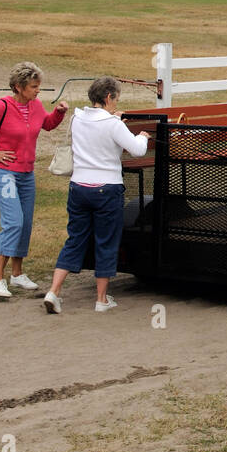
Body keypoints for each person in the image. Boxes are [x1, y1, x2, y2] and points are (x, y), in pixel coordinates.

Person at [0, 62, 68, 299]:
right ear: (19, 87)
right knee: (14, 222)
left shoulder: (36, 105)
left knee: (25, 222)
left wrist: (59, 113)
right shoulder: (0, 107)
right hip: (4, 172)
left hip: (27, 173)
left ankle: (17, 274)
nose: (38, 90)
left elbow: (47, 125)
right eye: (33, 86)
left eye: (38, 86)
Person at [43, 77, 150, 314]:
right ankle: (101, 298)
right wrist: (142, 135)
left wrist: (115, 119)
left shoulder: (77, 118)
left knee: (75, 238)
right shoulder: (113, 124)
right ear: (109, 97)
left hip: (78, 186)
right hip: (106, 188)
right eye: (116, 99)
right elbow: (137, 149)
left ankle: (54, 290)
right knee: (106, 241)